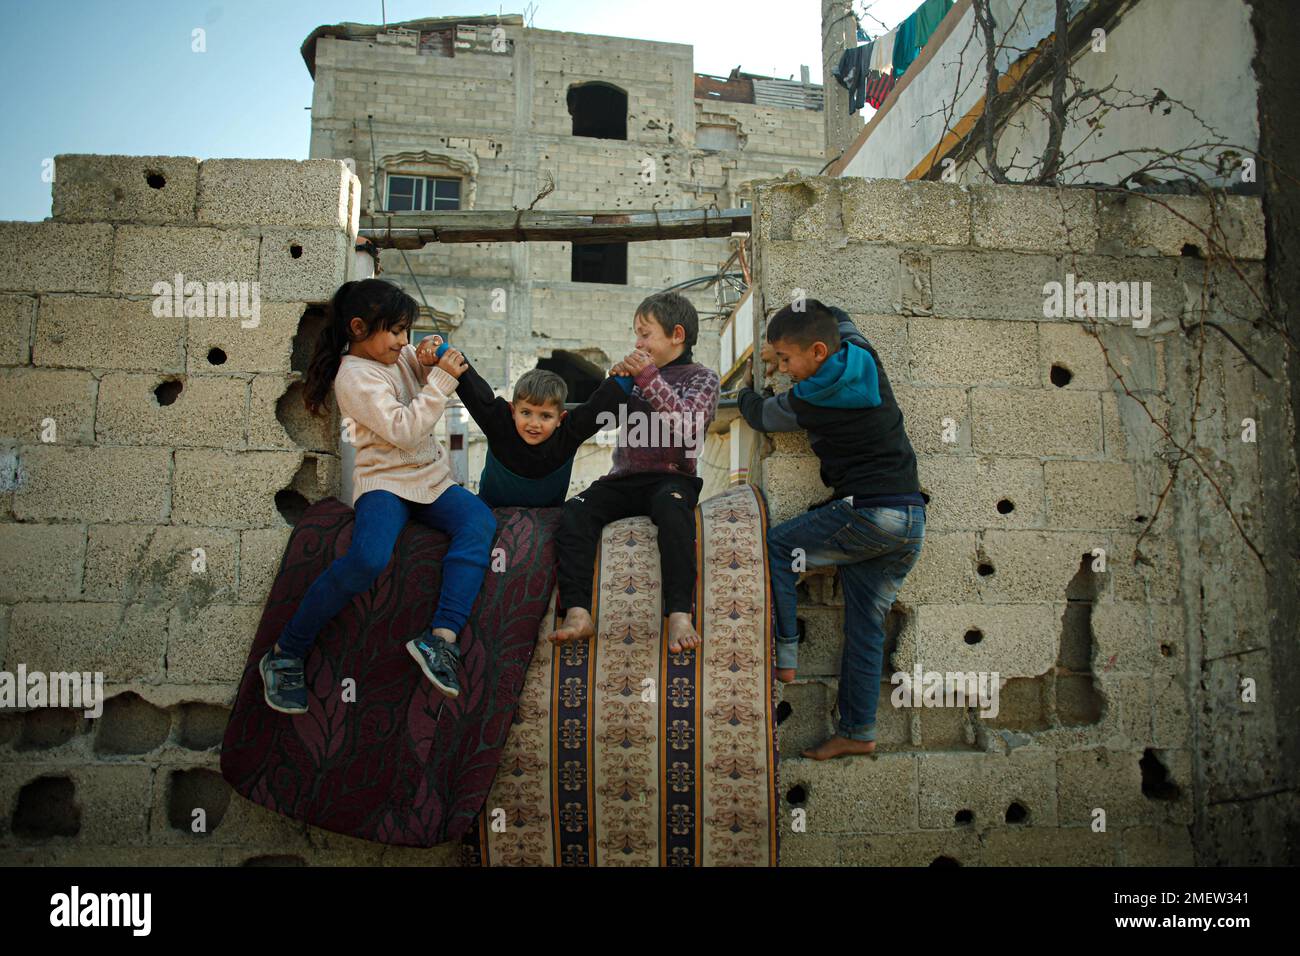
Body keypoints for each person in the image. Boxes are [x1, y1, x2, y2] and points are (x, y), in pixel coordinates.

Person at [261, 279, 497, 714]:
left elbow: (418, 379)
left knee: (479, 522)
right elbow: (406, 430)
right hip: (384, 482)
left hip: (430, 478)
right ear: (357, 328)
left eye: (408, 331)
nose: (404, 341)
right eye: (396, 331)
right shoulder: (352, 377)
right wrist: (441, 382)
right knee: (369, 558)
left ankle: (440, 639)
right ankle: (286, 652)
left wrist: (428, 360)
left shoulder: (398, 353)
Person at [737, 298, 925, 760]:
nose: (782, 370)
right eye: (777, 359)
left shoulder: (809, 399)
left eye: (787, 359)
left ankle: (785, 655)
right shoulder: (865, 354)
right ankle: (858, 732)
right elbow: (836, 312)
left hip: (869, 513)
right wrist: (783, 337)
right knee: (864, 630)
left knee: (778, 548)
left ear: (819, 351)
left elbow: (761, 416)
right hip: (909, 520)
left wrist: (745, 388)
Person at [551, 291, 720, 653]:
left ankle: (678, 614)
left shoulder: (703, 378)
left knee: (676, 516)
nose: (637, 342)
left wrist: (646, 375)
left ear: (677, 334)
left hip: (673, 478)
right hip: (623, 479)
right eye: (636, 333)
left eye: (645, 333)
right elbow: (597, 419)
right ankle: (578, 612)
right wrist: (614, 385)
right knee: (576, 510)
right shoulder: (637, 378)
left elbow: (688, 426)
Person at [418, 336, 632, 509]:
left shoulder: (569, 432)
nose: (534, 424)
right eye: (526, 412)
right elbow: (473, 387)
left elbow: (598, 406)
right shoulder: (499, 422)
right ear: (513, 411)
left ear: (561, 419)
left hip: (549, 514)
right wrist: (439, 348)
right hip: (490, 507)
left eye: (545, 416)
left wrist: (627, 374)